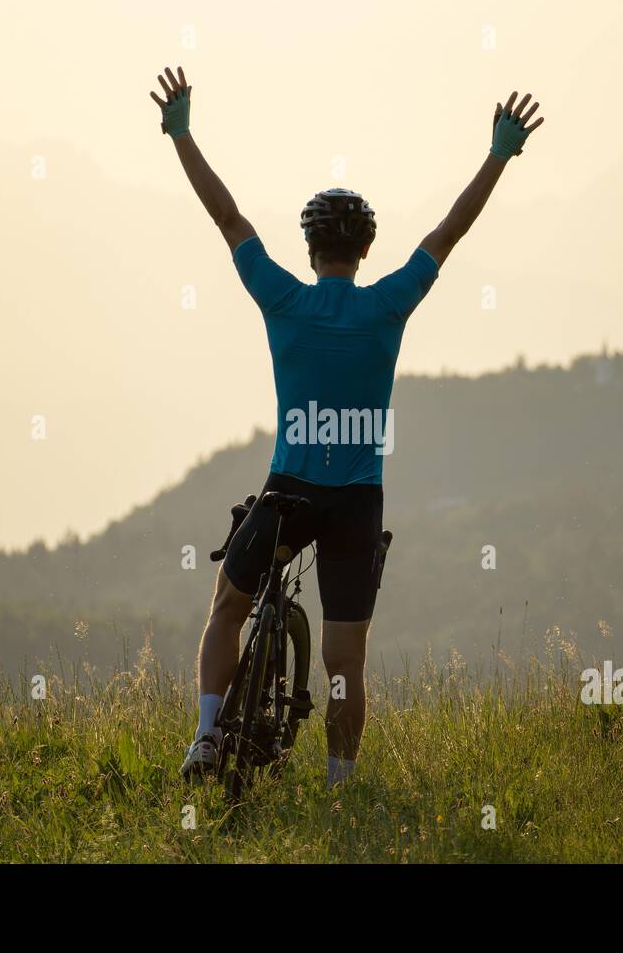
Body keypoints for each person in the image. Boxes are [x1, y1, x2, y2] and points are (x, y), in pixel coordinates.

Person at [148, 65, 543, 788]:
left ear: (310, 253)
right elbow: (447, 232)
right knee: (343, 662)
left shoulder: (285, 302)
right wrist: (498, 155)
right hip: (357, 502)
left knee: (229, 606)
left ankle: (206, 736)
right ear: (364, 252)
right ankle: (339, 788)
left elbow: (229, 219)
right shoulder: (387, 305)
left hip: (288, 490)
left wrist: (182, 135)